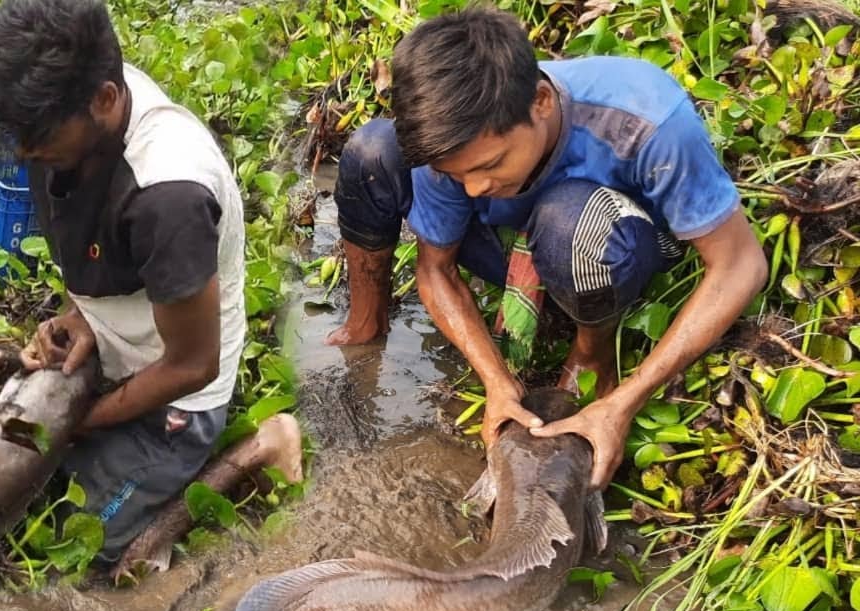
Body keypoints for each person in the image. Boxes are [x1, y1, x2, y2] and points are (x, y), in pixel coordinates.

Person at [329, 7, 767, 490]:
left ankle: (591, 357)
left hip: (612, 241)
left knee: (568, 221)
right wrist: (496, 382)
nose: (473, 188)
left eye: (490, 164)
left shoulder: (647, 119)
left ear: (540, 101)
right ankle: (365, 325)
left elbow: (740, 265)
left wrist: (626, 401)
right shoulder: (448, 146)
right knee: (373, 150)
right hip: (507, 242)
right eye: (458, 176)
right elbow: (436, 270)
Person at [0, 0, 300, 568]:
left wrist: (77, 420)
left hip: (178, 389)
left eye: (35, 139)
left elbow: (194, 365)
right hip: (114, 343)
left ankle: (258, 448)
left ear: (106, 102)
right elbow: (76, 239)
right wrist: (78, 317)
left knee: (78, 545)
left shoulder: (168, 195)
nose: (24, 155)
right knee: (0, 494)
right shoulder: (66, 109)